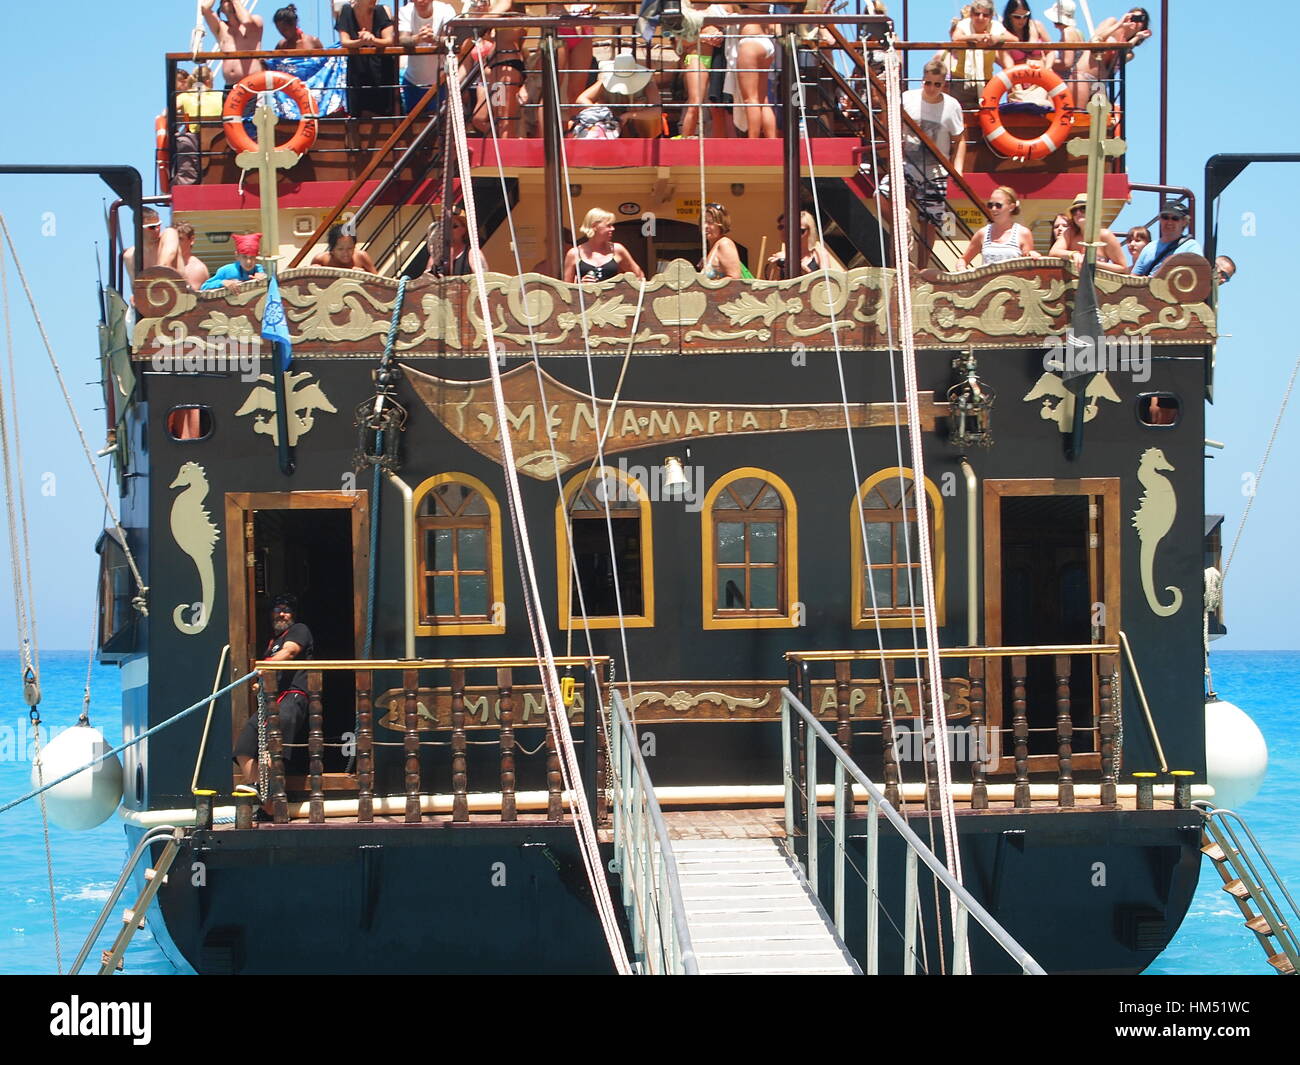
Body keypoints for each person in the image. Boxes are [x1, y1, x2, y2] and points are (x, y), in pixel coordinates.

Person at [233, 594, 314, 791]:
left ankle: (269, 801)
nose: (282, 614)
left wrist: (265, 665)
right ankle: (259, 793)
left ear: (293, 614)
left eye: (287, 611)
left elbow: (290, 652)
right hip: (272, 701)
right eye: (278, 610)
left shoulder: (298, 630)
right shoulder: (272, 643)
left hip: (292, 697)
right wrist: (259, 684)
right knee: (243, 747)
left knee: (272, 752)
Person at [901, 60, 967, 263]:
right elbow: (892, 124)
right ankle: (902, 246)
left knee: (929, 222)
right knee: (887, 197)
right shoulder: (907, 99)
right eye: (927, 83)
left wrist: (958, 169)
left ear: (943, 85)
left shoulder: (951, 106)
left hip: (937, 169)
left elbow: (960, 138)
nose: (931, 88)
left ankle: (922, 268)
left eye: (936, 84)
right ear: (922, 80)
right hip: (908, 164)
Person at [572, 55, 663, 139]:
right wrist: (604, 112)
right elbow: (581, 100)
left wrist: (629, 115)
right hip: (612, 122)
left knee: (639, 106)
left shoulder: (648, 83)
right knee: (599, 104)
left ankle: (642, 140)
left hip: (640, 125)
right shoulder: (605, 80)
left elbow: (656, 111)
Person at [337, 0, 398, 119]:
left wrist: (372, 40)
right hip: (358, 69)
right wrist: (361, 42)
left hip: (382, 69)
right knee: (358, 113)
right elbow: (345, 41)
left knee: (385, 112)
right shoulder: (346, 11)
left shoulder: (380, 11)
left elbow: (389, 41)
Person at [723, 5, 777, 138]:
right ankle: (772, 140)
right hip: (765, 41)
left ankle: (753, 141)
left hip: (750, 42)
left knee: (750, 99)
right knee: (762, 100)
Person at [947, 1, 1012, 110]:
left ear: (991, 16)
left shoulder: (996, 27)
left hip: (986, 81)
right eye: (977, 14)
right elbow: (956, 37)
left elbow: (1014, 39)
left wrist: (996, 38)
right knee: (960, 116)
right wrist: (974, 37)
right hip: (961, 80)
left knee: (987, 115)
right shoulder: (964, 24)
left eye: (985, 15)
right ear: (971, 15)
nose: (981, 18)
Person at [398, 0, 457, 115]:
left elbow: (453, 39)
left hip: (441, 82)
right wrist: (419, 38)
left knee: (441, 128)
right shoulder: (405, 11)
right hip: (412, 83)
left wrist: (433, 39)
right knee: (413, 127)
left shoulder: (446, 10)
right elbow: (402, 39)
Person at [958, 185, 1038, 267]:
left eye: (998, 205)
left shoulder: (1023, 233)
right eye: (990, 205)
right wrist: (961, 268)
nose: (993, 209)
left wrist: (1033, 255)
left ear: (1011, 207)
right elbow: (964, 259)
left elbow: (1028, 263)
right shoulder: (983, 233)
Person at [1048, 193, 1128, 272]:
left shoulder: (1105, 235)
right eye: (1074, 211)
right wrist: (1074, 254)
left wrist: (1094, 264)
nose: (1078, 213)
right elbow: (1053, 252)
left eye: (1083, 209)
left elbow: (1123, 268)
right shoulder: (1070, 233)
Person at [563, 209, 645, 283]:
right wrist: (581, 285)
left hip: (614, 299)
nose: (613, 229)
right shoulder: (574, 253)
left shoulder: (617, 249)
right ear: (594, 226)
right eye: (608, 225)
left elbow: (639, 276)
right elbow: (566, 288)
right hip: (586, 299)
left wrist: (623, 288)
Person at [174, 64, 223, 186]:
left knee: (183, 141)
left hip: (195, 137)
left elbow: (166, 115)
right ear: (208, 81)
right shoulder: (221, 95)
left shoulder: (184, 96)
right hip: (220, 138)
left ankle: (187, 181)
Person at [1079, 7, 1151, 89]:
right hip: (1083, 77)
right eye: (1133, 17)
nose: (1135, 22)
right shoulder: (1112, 22)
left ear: (1143, 26)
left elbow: (1114, 64)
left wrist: (1137, 37)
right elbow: (1095, 40)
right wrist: (1119, 24)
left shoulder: (1130, 54)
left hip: (1099, 86)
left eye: (1140, 19)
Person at [201, 0, 265, 86]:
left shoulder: (256, 20)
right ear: (221, 9)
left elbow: (247, 21)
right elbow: (205, 9)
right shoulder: (220, 27)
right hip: (230, 86)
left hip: (252, 83)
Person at [1130, 202, 1202, 277]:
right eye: (1165, 217)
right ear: (1160, 219)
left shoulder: (1191, 246)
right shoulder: (1149, 248)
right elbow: (1134, 277)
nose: (1169, 222)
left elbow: (1200, 275)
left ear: (1184, 222)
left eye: (1175, 218)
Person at [122, 207, 181, 287]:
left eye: (159, 225)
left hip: (182, 294)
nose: (157, 230)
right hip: (153, 297)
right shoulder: (130, 256)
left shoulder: (169, 234)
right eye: (152, 227)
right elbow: (135, 287)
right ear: (138, 228)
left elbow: (164, 265)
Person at [1044, 0, 1088, 106]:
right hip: (1076, 80)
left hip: (1068, 82)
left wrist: (1046, 62)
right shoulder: (1078, 33)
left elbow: (1067, 63)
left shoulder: (1067, 32)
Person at [764, 211, 832, 278]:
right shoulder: (780, 258)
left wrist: (806, 273)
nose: (787, 232)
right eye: (781, 227)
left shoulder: (819, 255)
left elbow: (827, 284)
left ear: (809, 231)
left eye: (797, 229)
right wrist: (773, 270)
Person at [202, 232, 268, 290]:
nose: (248, 261)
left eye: (252, 257)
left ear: (257, 256)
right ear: (237, 256)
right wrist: (223, 282)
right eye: (244, 257)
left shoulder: (259, 269)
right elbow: (204, 287)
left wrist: (264, 278)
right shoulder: (226, 270)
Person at [699, 203, 749, 279]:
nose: (705, 226)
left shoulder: (725, 244)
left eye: (710, 222)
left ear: (721, 224)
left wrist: (713, 285)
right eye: (703, 222)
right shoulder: (714, 246)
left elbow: (734, 279)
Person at [439, 207, 490, 275]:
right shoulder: (438, 255)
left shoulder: (472, 253)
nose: (449, 230)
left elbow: (484, 278)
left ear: (464, 230)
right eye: (446, 226)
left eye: (454, 226)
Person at [310, 225, 379, 273]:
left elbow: (379, 283)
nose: (346, 253)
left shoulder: (361, 257)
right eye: (340, 249)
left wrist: (364, 275)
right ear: (332, 249)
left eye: (350, 248)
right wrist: (312, 273)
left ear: (355, 246)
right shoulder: (321, 260)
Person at [174, 223, 212, 290]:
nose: (175, 243)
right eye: (173, 239)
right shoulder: (170, 263)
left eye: (180, 239)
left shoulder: (197, 268)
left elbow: (189, 297)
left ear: (192, 240)